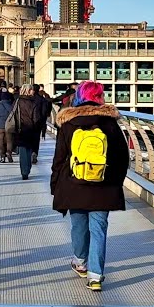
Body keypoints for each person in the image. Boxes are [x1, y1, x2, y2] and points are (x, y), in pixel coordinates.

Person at [50, 81, 128, 292]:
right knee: (98, 229)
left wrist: (56, 184)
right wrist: (115, 182)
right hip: (103, 186)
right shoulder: (110, 123)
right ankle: (95, 276)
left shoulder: (68, 123)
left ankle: (80, 261)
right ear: (98, 97)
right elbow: (122, 157)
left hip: (74, 184)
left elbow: (59, 159)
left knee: (78, 226)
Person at [5, 84, 45, 179]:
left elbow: (12, 113)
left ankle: (24, 171)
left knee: (23, 150)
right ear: (28, 91)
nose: (33, 91)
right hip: (31, 129)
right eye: (31, 90)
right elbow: (36, 119)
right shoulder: (34, 103)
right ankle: (27, 168)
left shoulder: (17, 101)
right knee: (29, 149)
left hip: (20, 129)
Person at [0, 89, 15, 163]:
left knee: (0, 141)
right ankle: (9, 153)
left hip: (0, 126)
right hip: (9, 126)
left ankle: (2, 156)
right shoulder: (12, 106)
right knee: (9, 141)